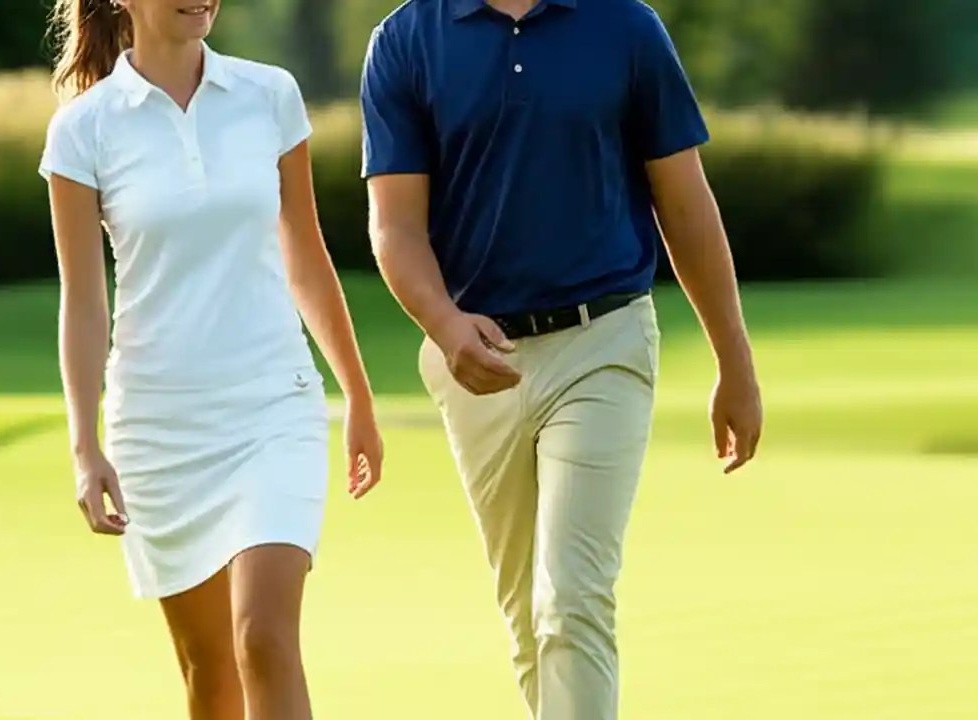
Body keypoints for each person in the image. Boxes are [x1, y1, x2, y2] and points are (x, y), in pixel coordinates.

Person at [360, 1, 764, 718]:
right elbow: (394, 227)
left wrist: (735, 361)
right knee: (529, 620)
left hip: (602, 340)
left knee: (569, 599)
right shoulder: (405, 40)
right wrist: (446, 325)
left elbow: (685, 201)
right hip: (475, 361)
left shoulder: (626, 26)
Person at [39, 1, 384, 718]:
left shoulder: (270, 96)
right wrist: (84, 444)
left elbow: (307, 258)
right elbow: (83, 303)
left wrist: (356, 393)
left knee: (263, 635)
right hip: (160, 431)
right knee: (211, 676)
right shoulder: (83, 129)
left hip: (272, 405)